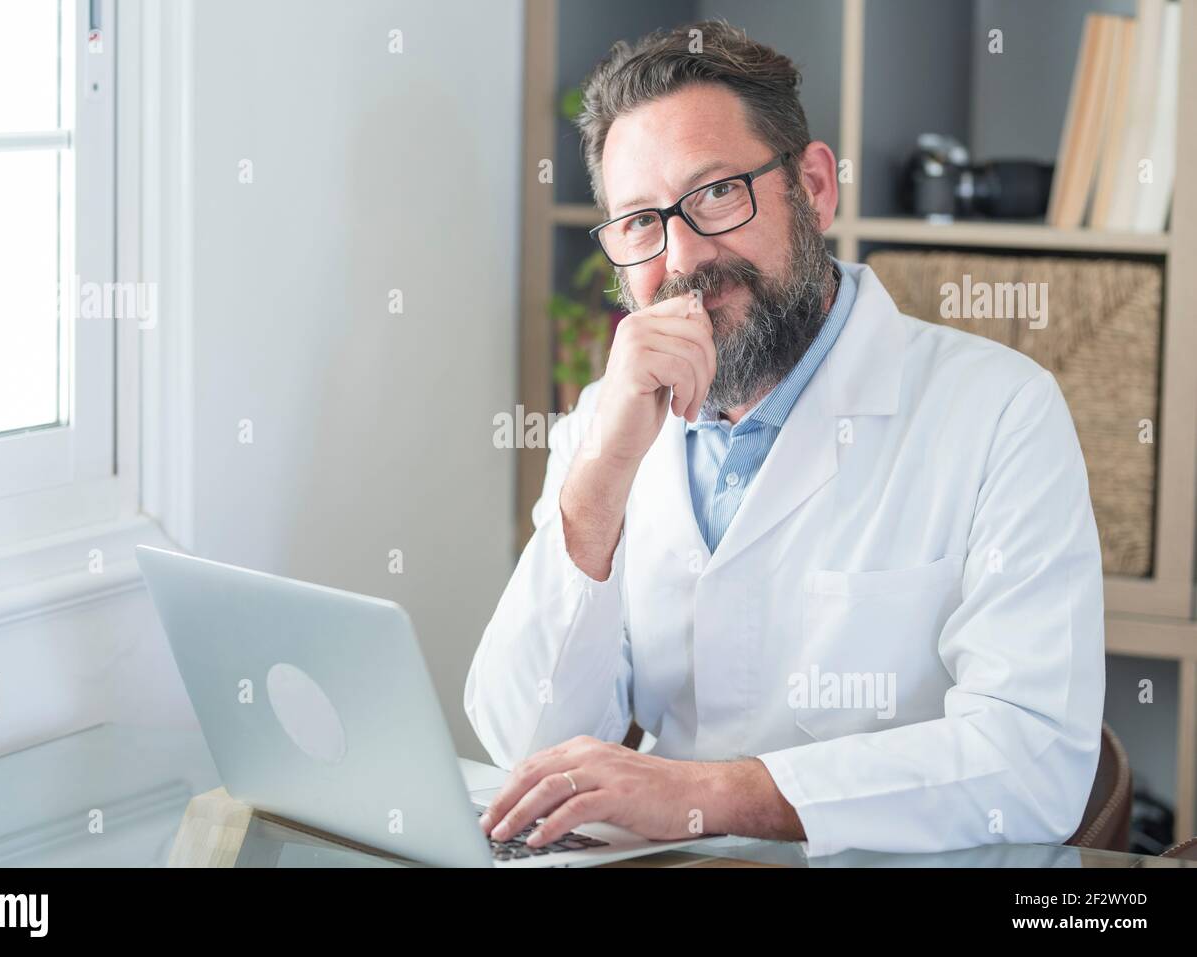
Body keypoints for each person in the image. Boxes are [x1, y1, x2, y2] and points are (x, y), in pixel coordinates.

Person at [465, 21, 1104, 858]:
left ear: (815, 187)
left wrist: (702, 793)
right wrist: (602, 477)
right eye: (639, 222)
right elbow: (529, 751)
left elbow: (1033, 762)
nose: (684, 254)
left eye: (719, 192)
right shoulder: (605, 424)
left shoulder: (1000, 412)